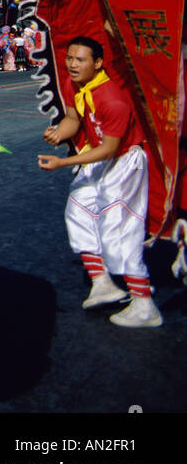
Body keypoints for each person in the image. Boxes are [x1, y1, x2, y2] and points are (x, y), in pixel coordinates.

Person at [38, 37, 161, 328]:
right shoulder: (73, 84)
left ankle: (144, 304)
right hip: (98, 156)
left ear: (98, 63)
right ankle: (102, 283)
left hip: (123, 161)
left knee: (119, 227)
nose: (72, 64)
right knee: (78, 209)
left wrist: (62, 163)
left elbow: (110, 148)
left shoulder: (113, 99)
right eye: (70, 58)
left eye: (80, 60)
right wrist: (59, 132)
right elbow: (73, 118)